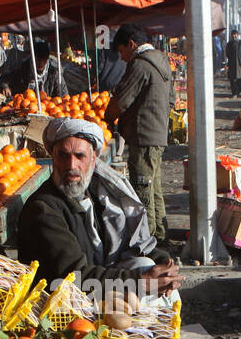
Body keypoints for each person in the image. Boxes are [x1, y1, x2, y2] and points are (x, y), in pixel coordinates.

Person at [17, 118, 182, 299]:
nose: (71, 166)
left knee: (150, 268)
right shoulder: (43, 209)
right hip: (62, 302)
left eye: (79, 156)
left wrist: (164, 264)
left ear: (93, 159)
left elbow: (128, 243)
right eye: (63, 155)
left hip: (90, 287)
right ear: (53, 157)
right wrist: (140, 281)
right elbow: (74, 277)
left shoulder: (97, 195)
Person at [104, 23, 174, 244]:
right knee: (154, 189)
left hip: (143, 136)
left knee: (142, 189)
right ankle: (161, 235)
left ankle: (149, 241)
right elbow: (171, 99)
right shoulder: (161, 60)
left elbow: (122, 100)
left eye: (123, 51)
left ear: (132, 44)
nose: (123, 58)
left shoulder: (140, 65)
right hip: (157, 134)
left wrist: (106, 117)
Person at [0, 39, 67, 98]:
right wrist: (4, 86)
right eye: (38, 60)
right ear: (33, 57)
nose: (41, 63)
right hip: (24, 108)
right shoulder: (21, 68)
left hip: (46, 109)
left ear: (47, 59)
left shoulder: (54, 74)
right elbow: (1, 80)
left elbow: (63, 95)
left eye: (44, 60)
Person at [226, 29, 241, 97]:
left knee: (240, 78)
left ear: (237, 35)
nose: (234, 36)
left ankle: (239, 90)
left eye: (235, 34)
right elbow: (227, 53)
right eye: (233, 34)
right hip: (232, 64)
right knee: (232, 79)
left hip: (239, 64)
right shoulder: (229, 44)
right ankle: (234, 93)